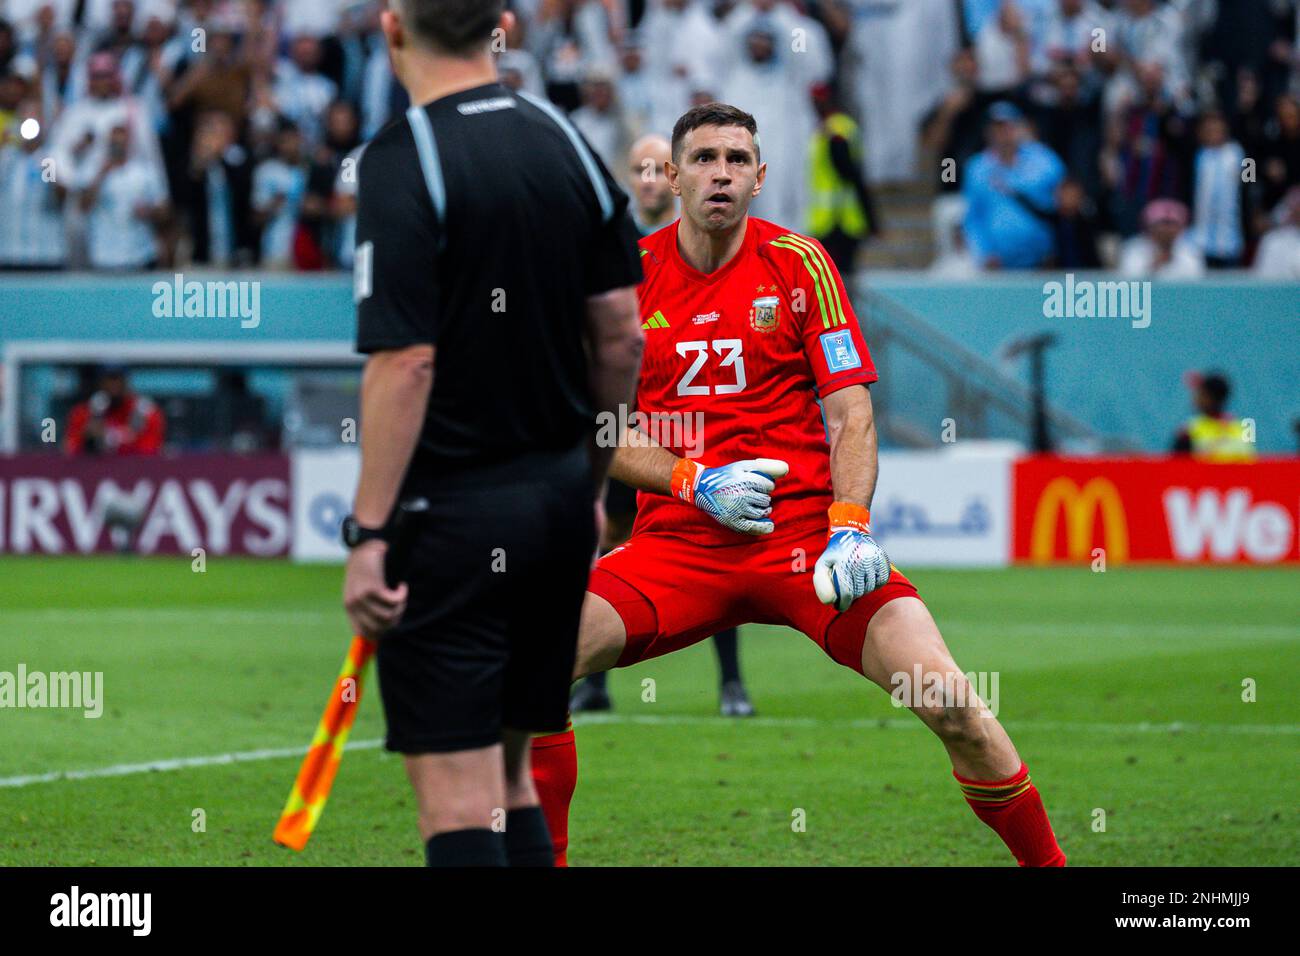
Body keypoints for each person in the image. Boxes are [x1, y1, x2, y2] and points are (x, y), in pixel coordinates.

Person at [529, 103, 1067, 868]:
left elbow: (851, 414)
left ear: (760, 177)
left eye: (738, 159)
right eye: (706, 158)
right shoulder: (627, 280)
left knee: (952, 702)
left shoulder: (802, 264)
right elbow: (597, 427)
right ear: (673, 177)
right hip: (678, 544)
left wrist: (850, 524)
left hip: (806, 543)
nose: (722, 173)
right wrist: (695, 479)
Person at [340, 0, 644, 868]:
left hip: (451, 516)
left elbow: (406, 364)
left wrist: (369, 535)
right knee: (512, 784)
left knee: (458, 800)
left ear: (393, 28)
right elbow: (623, 333)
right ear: (502, 23)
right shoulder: (563, 138)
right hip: (554, 510)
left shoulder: (406, 156)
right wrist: (585, 489)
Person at [570, 132, 756, 718]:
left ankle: (730, 682)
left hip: (696, 432)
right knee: (609, 540)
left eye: (658, 167)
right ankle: (595, 679)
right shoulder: (616, 249)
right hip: (627, 434)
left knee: (718, 544)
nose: (649, 178)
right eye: (639, 168)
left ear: (673, 176)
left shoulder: (707, 243)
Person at [962, 100, 1065, 269]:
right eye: (997, 127)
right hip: (999, 263)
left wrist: (1057, 247)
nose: (1003, 132)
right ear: (988, 131)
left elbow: (1064, 200)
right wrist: (985, 252)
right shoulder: (977, 168)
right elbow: (973, 217)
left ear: (1019, 127)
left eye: (1008, 126)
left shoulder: (1044, 159)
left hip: (1044, 260)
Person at [64, 365, 164, 456]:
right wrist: (88, 441)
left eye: (117, 378)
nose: (113, 384)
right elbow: (70, 450)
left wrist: (113, 442)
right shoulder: (84, 412)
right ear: (100, 382)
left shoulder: (146, 411)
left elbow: (151, 452)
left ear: (126, 381)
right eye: (108, 379)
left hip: (133, 471)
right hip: (95, 472)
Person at [1171, 371, 1257, 463]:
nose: (1195, 398)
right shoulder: (1241, 428)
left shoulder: (1189, 431)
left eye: (1200, 394)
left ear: (1210, 398)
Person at [1118, 198, 1204, 278]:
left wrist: (1171, 258)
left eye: (1172, 223)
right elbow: (1129, 282)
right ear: (1149, 226)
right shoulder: (1133, 248)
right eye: (1162, 223)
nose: (1166, 229)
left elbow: (1196, 280)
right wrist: (1154, 265)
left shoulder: (1191, 249)